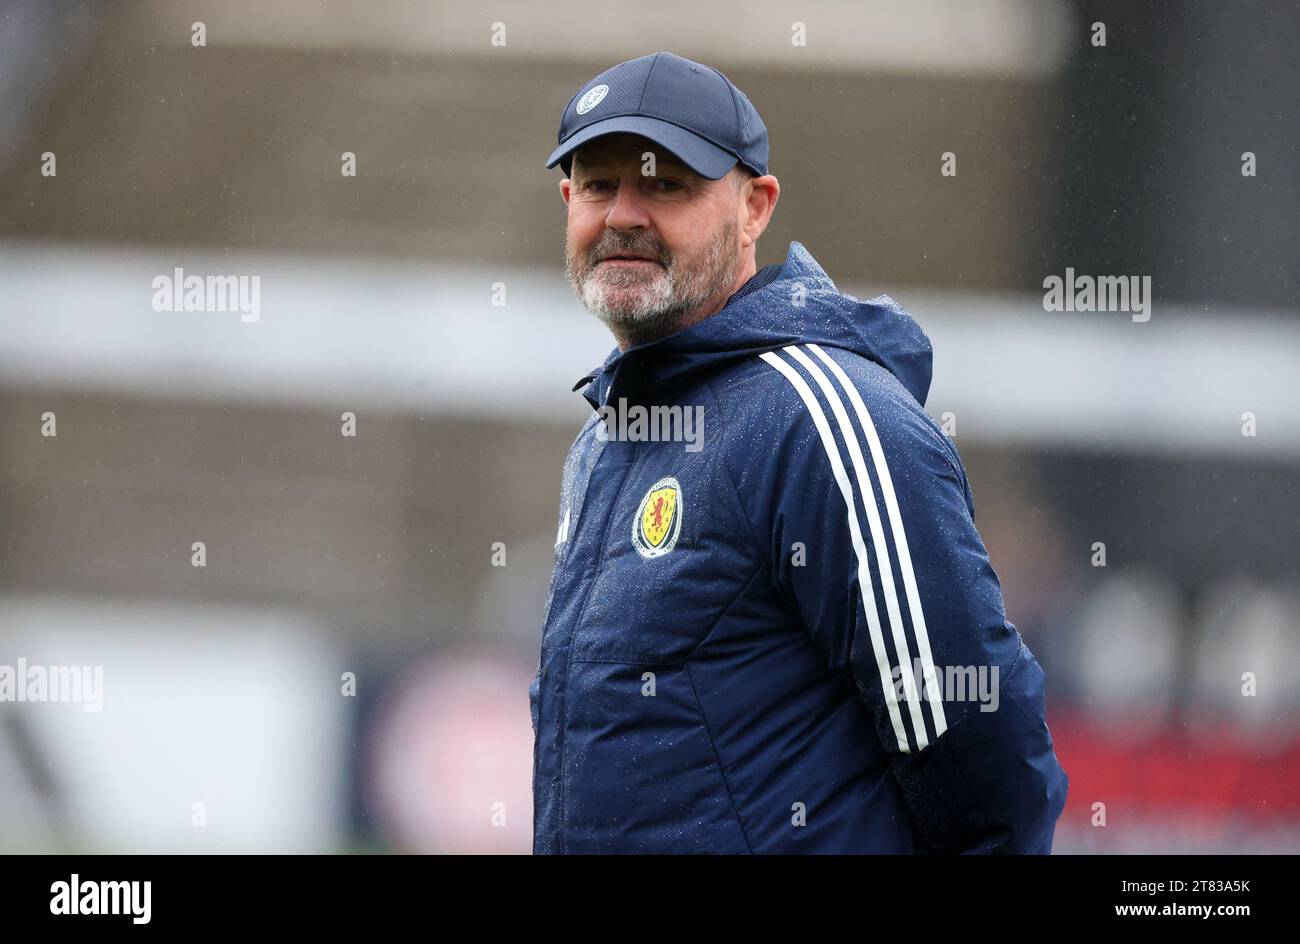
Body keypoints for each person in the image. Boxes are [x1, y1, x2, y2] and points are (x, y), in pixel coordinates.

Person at [530, 51, 1068, 854]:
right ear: (569, 199)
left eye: (666, 185)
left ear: (755, 207)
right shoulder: (605, 436)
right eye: (600, 184)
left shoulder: (821, 418)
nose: (624, 215)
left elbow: (981, 749)